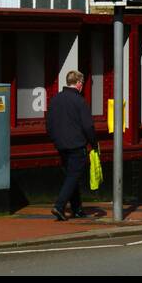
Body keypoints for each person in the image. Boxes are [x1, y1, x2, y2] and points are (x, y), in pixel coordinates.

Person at [45, 70, 98, 221]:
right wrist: (94, 143)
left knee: (71, 176)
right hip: (77, 145)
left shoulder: (55, 99)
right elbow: (88, 126)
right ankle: (59, 206)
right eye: (82, 83)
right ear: (79, 83)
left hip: (61, 145)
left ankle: (77, 209)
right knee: (73, 176)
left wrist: (56, 140)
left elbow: (49, 124)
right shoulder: (80, 101)